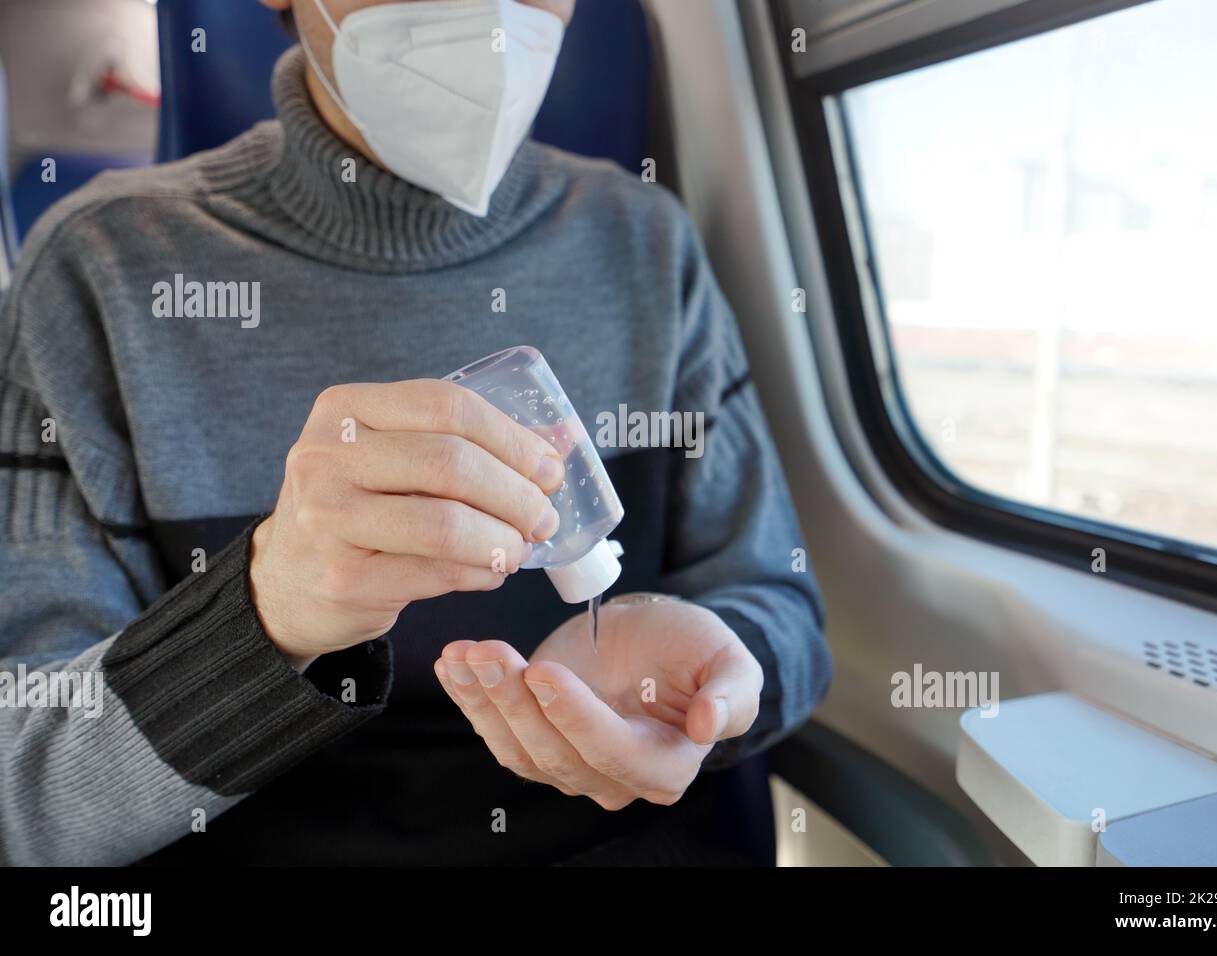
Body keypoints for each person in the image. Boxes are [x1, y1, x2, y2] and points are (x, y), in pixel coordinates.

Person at [0, 0, 831, 865]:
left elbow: (782, 601)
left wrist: (713, 687)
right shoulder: (97, 272)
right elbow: (23, 796)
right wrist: (263, 616)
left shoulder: (646, 240)